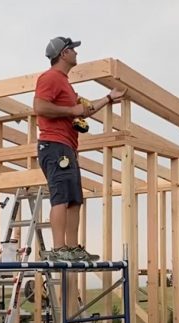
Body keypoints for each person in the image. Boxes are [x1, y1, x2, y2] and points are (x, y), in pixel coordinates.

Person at [33, 36, 126, 261]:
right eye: (73, 49)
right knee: (61, 197)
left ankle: (72, 248)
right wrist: (70, 111)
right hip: (54, 145)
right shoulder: (51, 77)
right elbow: (39, 106)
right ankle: (59, 249)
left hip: (67, 148)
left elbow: (84, 109)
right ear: (63, 53)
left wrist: (108, 98)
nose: (76, 53)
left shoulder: (65, 84)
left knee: (75, 199)